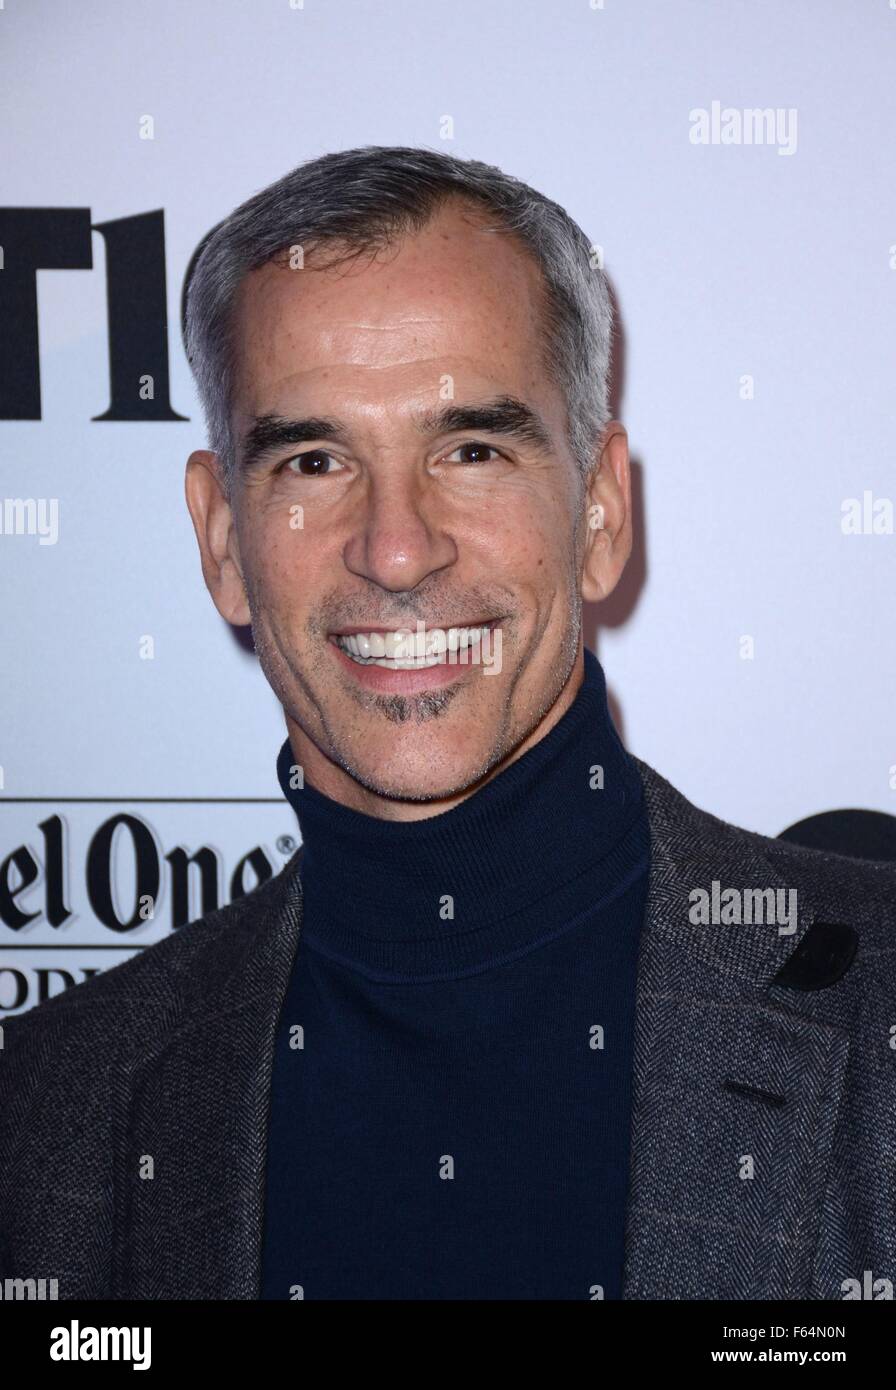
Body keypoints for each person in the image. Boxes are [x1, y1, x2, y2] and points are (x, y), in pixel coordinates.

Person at [1, 146, 893, 1301]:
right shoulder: (52, 1103)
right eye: (313, 459)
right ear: (223, 543)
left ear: (599, 512)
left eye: (470, 449)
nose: (396, 546)